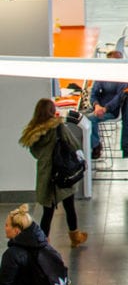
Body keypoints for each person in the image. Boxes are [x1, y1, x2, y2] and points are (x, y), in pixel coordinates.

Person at [18, 99, 88, 247]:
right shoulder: (57, 126)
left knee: (47, 213)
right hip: (62, 171)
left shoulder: (32, 132)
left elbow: (35, 153)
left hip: (45, 175)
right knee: (69, 207)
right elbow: (72, 142)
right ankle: (75, 237)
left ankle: (43, 242)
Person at [0, 204, 73, 285]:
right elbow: (55, 267)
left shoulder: (11, 254)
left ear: (16, 230)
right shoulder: (43, 244)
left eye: (7, 225)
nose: (5, 228)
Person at [87, 51, 128, 159]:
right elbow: (94, 93)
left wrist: (105, 109)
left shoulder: (123, 78)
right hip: (99, 107)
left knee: (90, 119)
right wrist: (96, 105)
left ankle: (95, 146)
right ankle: (88, 145)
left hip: (112, 111)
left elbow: (118, 98)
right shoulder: (103, 75)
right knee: (79, 117)